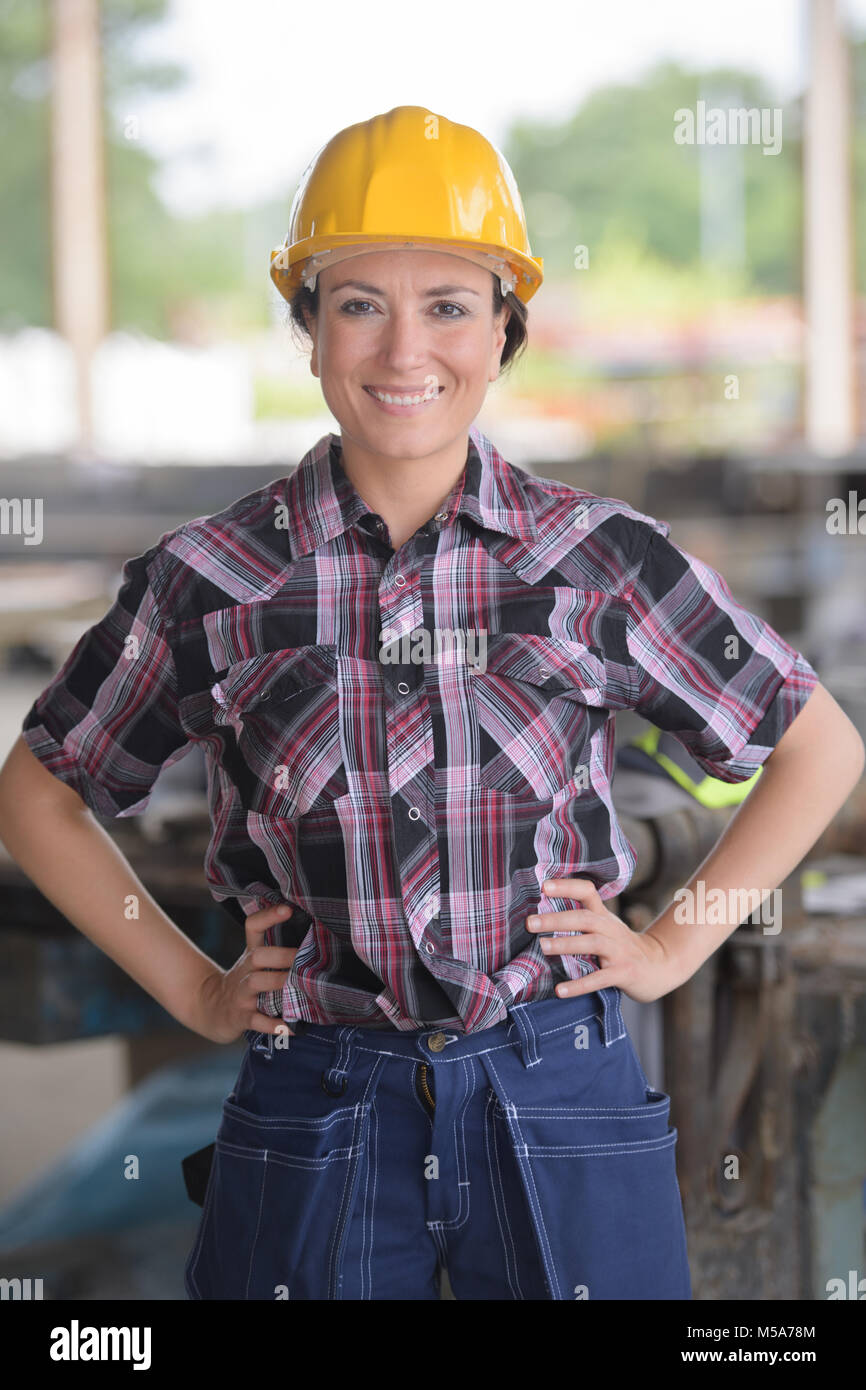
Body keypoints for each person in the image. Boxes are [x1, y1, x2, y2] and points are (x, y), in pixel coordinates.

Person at [0, 105, 862, 1302]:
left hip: (557, 1082)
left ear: (506, 329)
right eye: (359, 303)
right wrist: (192, 985)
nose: (405, 351)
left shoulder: (597, 559)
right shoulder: (209, 579)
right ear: (305, 328)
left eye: (449, 305)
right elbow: (41, 792)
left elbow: (815, 743)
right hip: (315, 1096)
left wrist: (670, 950)